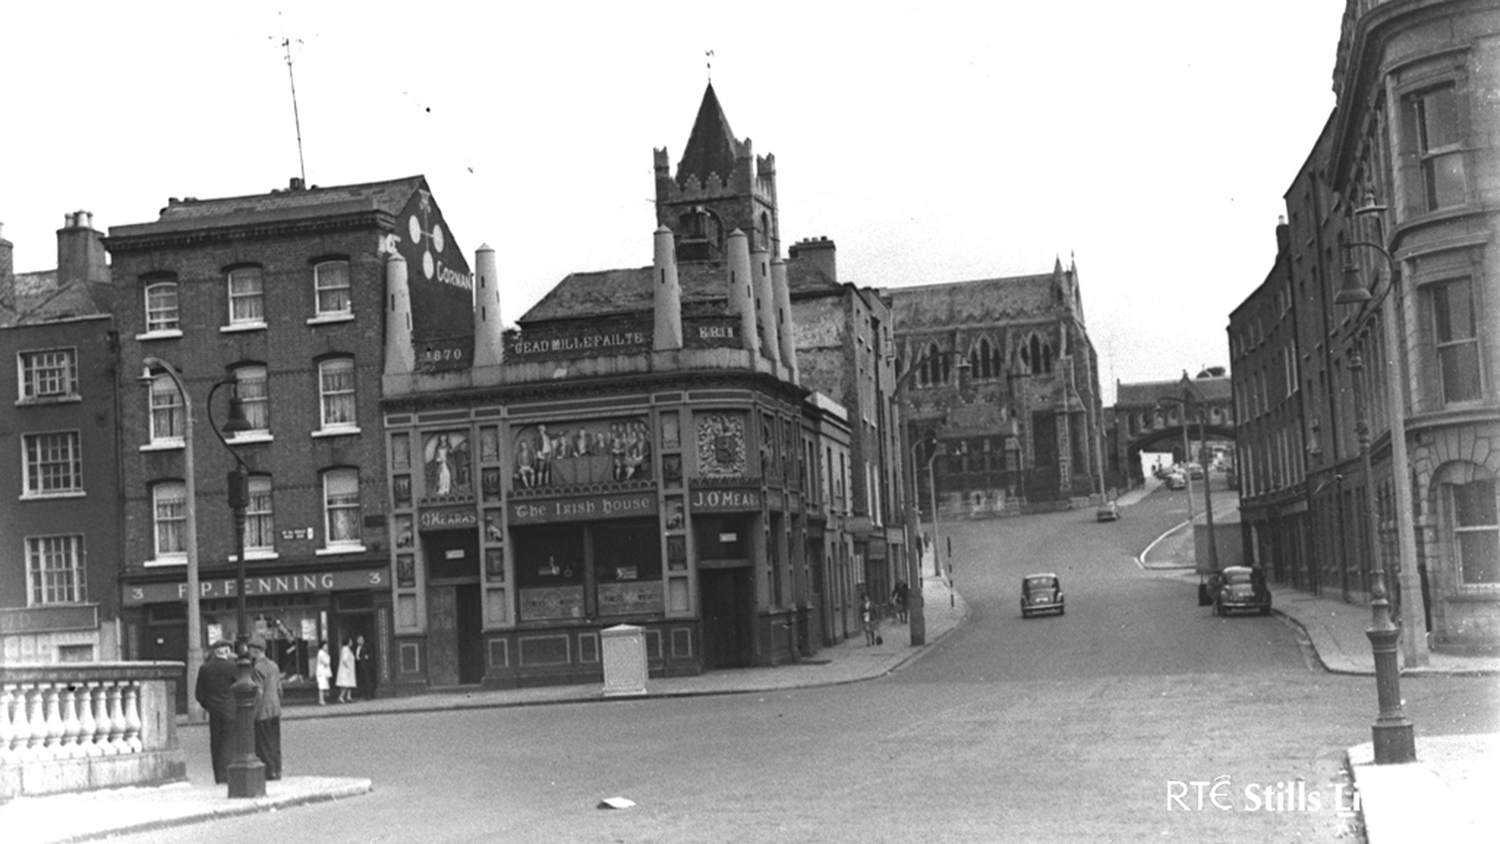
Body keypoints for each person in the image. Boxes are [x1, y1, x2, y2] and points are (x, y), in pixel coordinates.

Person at [193, 640, 236, 784]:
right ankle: (227, 775)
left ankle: (219, 776)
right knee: (228, 743)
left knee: (216, 744)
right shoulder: (232, 668)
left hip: (214, 712)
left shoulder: (205, 669)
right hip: (229, 710)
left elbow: (199, 695)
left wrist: (209, 706)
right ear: (227, 652)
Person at [247, 636, 282, 780]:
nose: (249, 652)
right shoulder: (274, 665)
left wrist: (253, 710)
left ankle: (270, 772)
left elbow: (258, 691)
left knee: (264, 743)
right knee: (275, 741)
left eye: (250, 650)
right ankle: (278, 769)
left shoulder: (257, 668)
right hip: (275, 708)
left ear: (255, 651)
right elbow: (280, 689)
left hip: (263, 710)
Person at [354, 634, 375, 700]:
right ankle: (362, 694)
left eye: (362, 639)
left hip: (366, 666)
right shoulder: (356, 647)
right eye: (360, 639)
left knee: (368, 680)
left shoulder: (367, 646)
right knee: (361, 680)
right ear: (357, 641)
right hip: (359, 666)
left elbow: (372, 653)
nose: (362, 640)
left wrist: (368, 657)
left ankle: (369, 695)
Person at [335, 638, 357, 703]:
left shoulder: (347, 649)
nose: (351, 642)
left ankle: (348, 696)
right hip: (346, 669)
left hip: (348, 669)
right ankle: (341, 697)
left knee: (349, 683)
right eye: (350, 641)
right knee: (346, 684)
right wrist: (348, 666)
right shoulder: (346, 649)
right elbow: (344, 659)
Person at [315, 640, 332, 705]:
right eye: (325, 646)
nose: (326, 647)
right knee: (321, 687)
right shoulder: (321, 653)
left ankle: (323, 699)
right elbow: (326, 662)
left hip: (324, 672)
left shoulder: (323, 653)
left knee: (323, 686)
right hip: (322, 673)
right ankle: (321, 700)